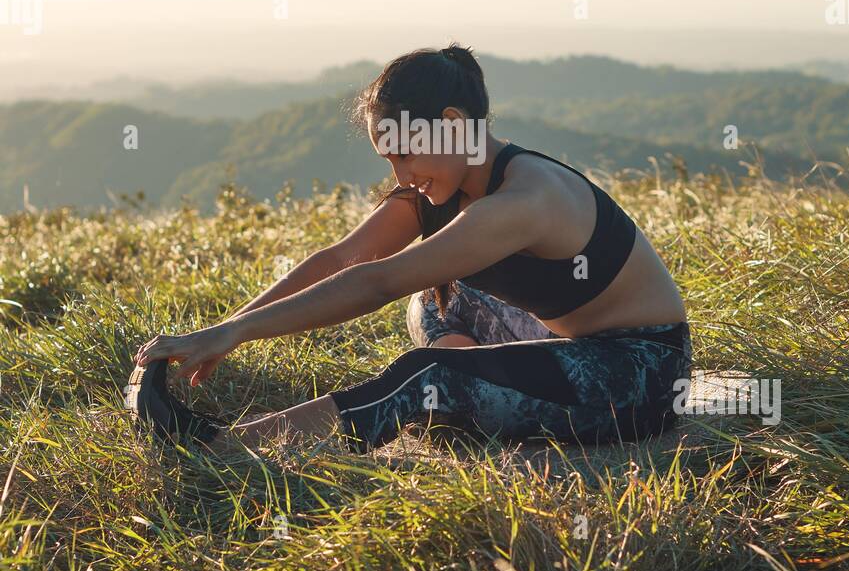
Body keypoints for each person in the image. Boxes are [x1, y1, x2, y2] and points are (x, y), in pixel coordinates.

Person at [133, 44, 691, 453]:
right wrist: (225, 331)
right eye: (389, 160)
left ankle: (223, 448)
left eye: (405, 155)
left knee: (427, 374)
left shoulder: (526, 199)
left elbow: (376, 283)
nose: (401, 174)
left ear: (451, 126)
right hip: (562, 339)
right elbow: (346, 259)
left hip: (641, 374)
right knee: (436, 298)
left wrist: (233, 333)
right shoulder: (444, 182)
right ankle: (480, 392)